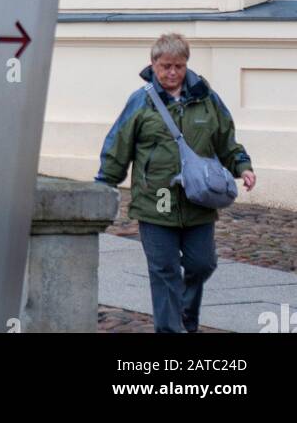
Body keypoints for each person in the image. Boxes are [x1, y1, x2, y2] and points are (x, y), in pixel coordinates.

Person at [96, 32, 256, 334]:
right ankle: (170, 329)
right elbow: (118, 144)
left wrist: (243, 166)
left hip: (199, 200)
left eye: (178, 66)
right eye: (166, 66)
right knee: (164, 269)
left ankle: (185, 315)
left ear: (186, 65)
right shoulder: (141, 102)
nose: (172, 73)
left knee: (202, 264)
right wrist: (105, 182)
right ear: (154, 64)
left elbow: (227, 142)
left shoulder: (207, 100)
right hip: (157, 199)